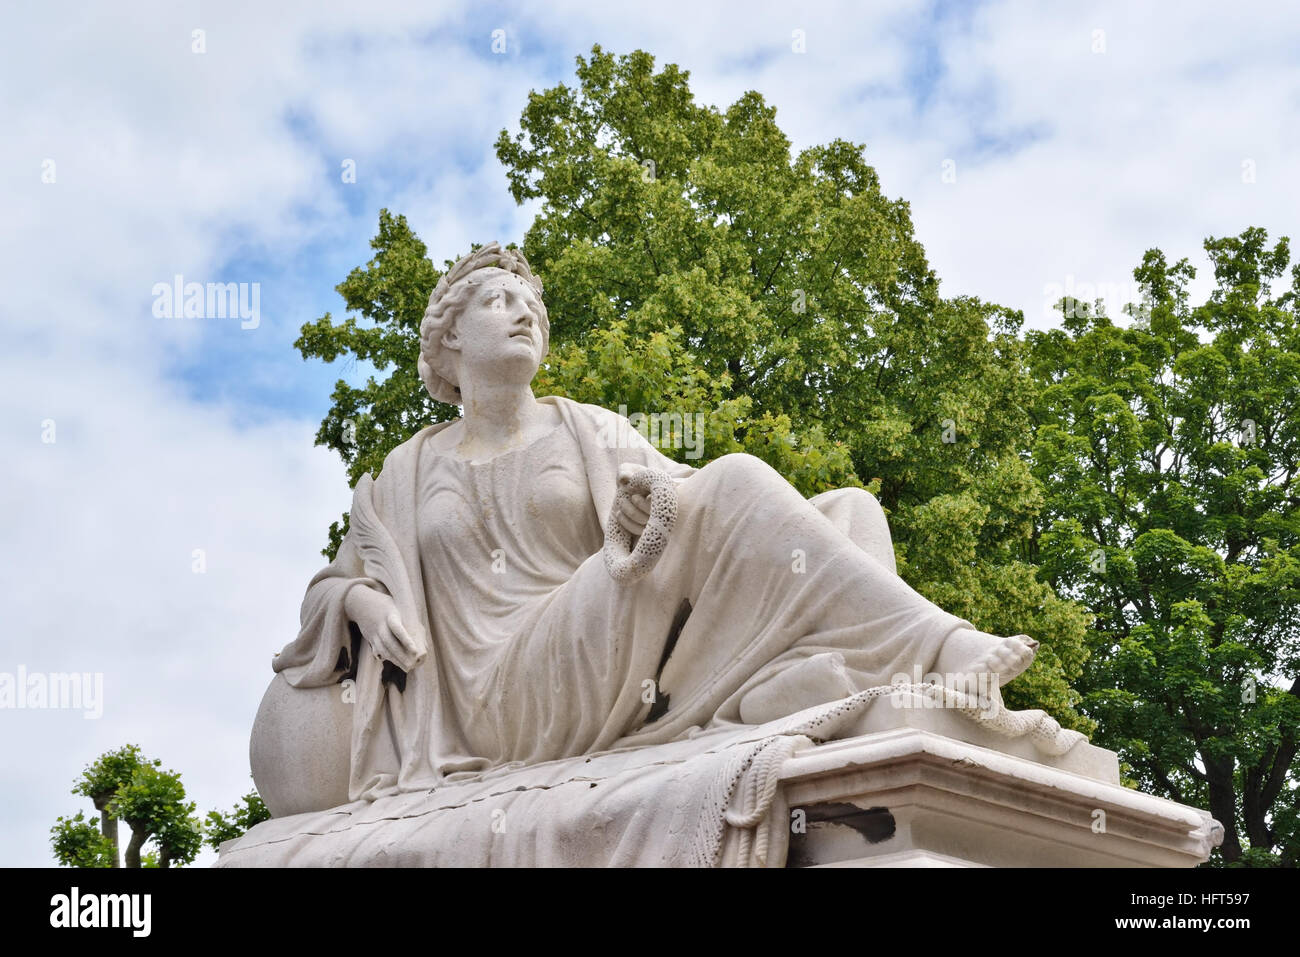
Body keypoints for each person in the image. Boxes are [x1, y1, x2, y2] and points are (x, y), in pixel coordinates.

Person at [272, 243, 1037, 802]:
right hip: (498, 696)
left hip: (607, 637)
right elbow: (323, 600)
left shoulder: (589, 428)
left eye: (533, 307)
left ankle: (789, 690)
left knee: (849, 510)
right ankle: (940, 646)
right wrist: (363, 601)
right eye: (498, 302)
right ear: (448, 338)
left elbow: (690, 505)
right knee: (739, 476)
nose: (524, 314)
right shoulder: (403, 472)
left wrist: (653, 508)